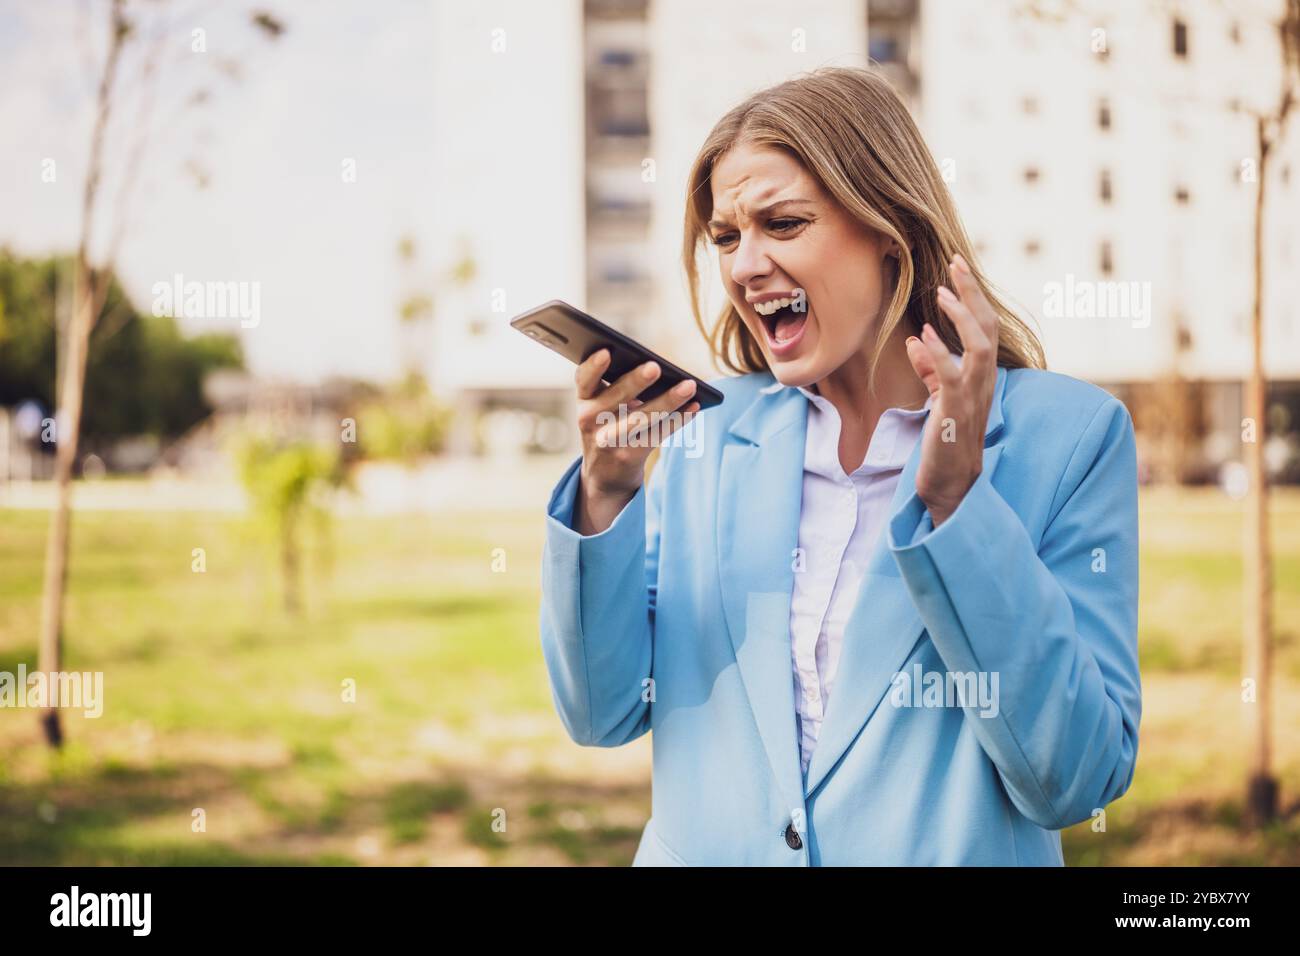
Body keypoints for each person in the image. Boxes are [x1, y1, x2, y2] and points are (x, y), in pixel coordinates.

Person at [537, 66, 1140, 865]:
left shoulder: (1071, 439)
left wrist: (959, 505)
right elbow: (602, 712)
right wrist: (607, 496)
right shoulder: (706, 438)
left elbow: (1075, 778)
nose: (743, 266)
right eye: (725, 236)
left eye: (781, 224)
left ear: (888, 230)